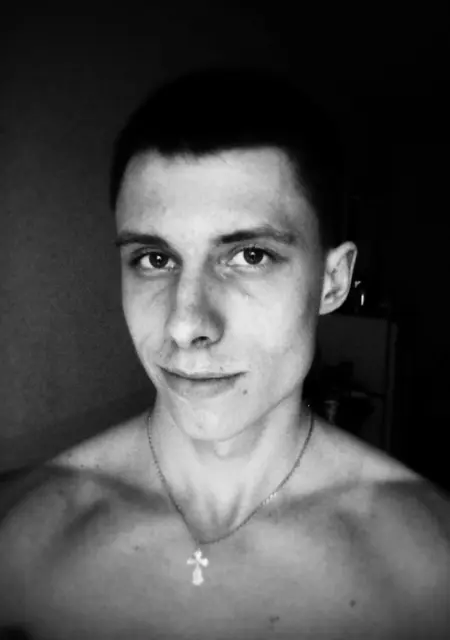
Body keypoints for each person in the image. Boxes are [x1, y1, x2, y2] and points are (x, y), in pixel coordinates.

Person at [1, 66, 450, 640]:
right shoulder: (20, 533)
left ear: (333, 281)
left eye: (250, 257)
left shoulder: (430, 564)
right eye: (155, 260)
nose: (186, 325)